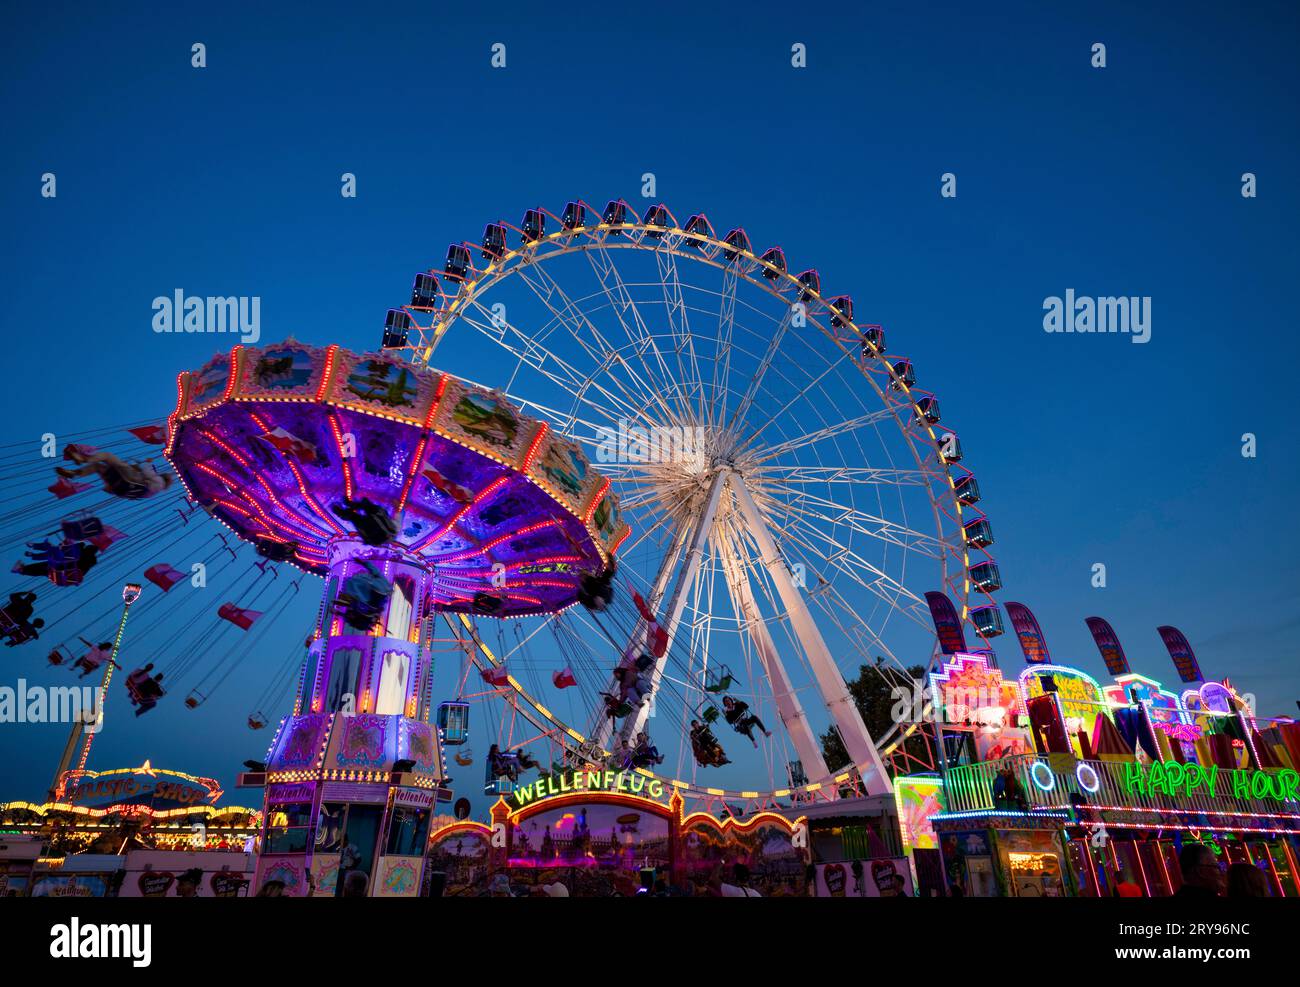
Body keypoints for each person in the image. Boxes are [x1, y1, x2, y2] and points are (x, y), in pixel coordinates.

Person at [57, 446, 174, 500]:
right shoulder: (154, 493)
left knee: (107, 456)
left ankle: (83, 459)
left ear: (165, 478)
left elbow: (146, 472)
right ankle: (73, 473)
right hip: (122, 488)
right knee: (98, 467)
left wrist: (148, 464)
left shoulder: (159, 482)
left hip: (133, 479)